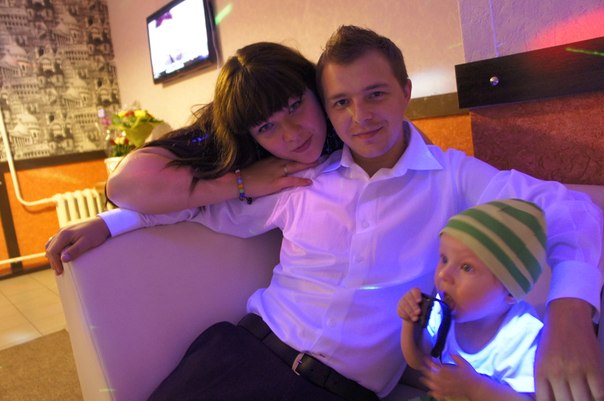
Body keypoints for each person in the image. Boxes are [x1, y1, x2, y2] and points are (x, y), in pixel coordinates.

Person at [45, 26, 603, 401]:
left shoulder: (453, 178)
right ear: (328, 106)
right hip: (243, 354)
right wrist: (111, 224)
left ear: (406, 92)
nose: (360, 116)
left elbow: (571, 207)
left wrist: (571, 315)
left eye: (376, 94)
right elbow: (203, 213)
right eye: (341, 102)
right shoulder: (300, 177)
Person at [105, 41, 343, 214]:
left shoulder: (342, 109)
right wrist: (242, 183)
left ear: (314, 86)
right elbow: (121, 185)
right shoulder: (231, 138)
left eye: (294, 106)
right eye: (266, 127)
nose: (292, 134)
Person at [398, 199, 547, 401]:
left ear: (511, 292)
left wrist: (476, 390)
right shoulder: (442, 312)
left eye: (466, 267)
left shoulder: (522, 335)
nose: (443, 274)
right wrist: (409, 324)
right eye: (444, 259)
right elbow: (420, 364)